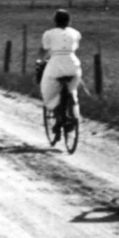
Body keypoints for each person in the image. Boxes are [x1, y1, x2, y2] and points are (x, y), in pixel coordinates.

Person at [39, 8, 82, 144]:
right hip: (73, 65)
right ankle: (72, 112)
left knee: (48, 90)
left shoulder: (49, 33)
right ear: (69, 21)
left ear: (55, 21)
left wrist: (41, 60)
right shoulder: (75, 33)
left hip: (56, 65)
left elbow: (45, 50)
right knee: (71, 90)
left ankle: (59, 116)